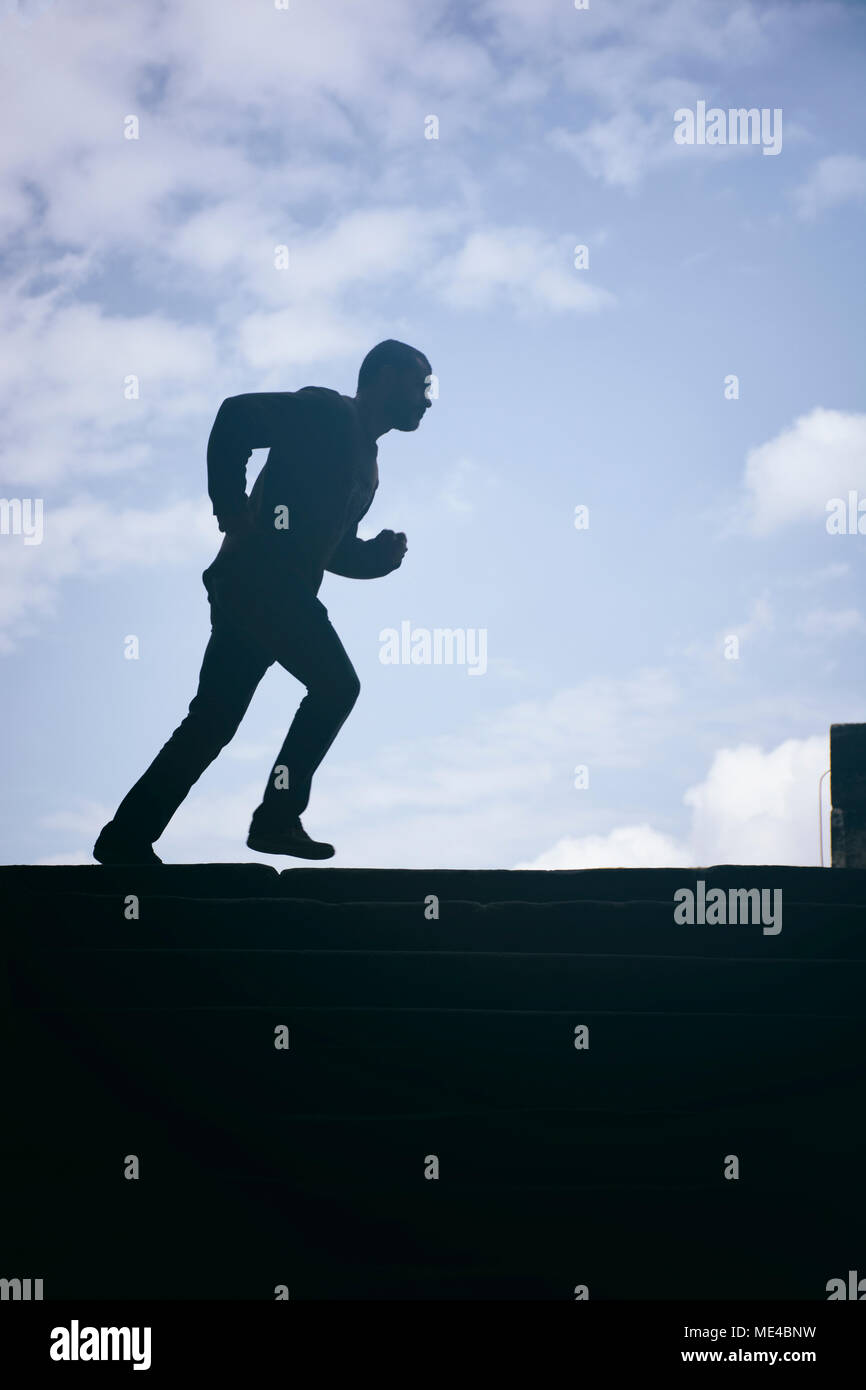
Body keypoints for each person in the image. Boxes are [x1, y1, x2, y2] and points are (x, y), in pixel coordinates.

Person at [93, 339, 432, 865]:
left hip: (260, 591)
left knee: (213, 719)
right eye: (419, 384)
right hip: (262, 582)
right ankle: (276, 817)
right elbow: (235, 416)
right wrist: (230, 507)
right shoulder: (326, 412)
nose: (426, 400)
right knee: (336, 686)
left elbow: (334, 550)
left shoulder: (369, 466)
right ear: (385, 376)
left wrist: (376, 559)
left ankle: (126, 837)